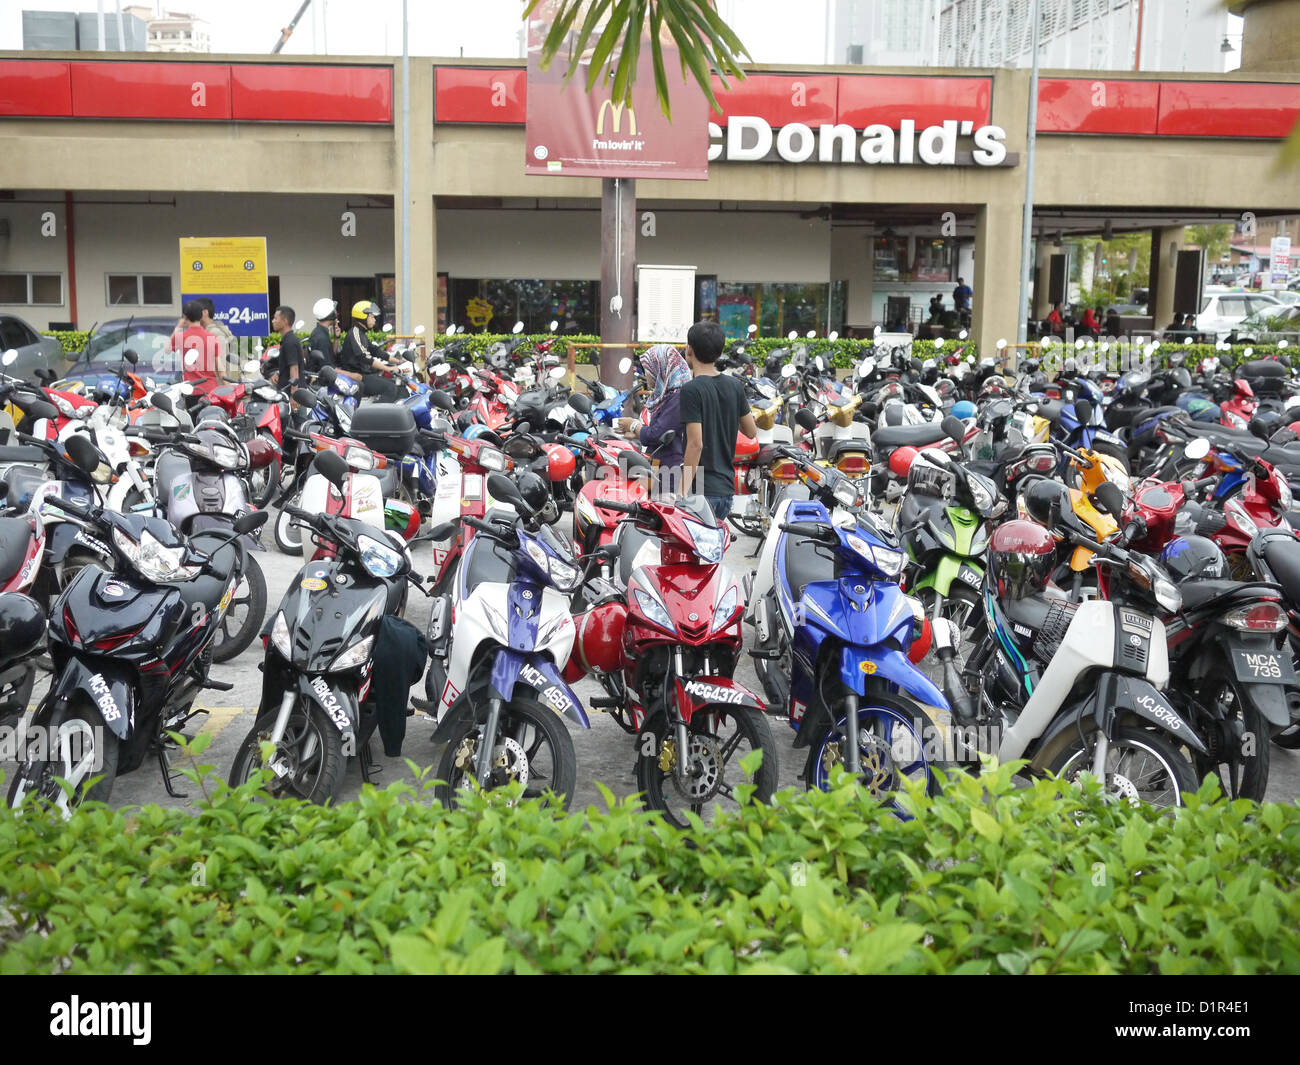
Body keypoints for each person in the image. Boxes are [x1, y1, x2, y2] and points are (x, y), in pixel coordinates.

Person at [679, 321, 758, 523]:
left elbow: (695, 444)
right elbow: (750, 431)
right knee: (711, 551)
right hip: (725, 491)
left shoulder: (691, 390)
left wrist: (681, 492)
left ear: (689, 350)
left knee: (690, 553)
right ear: (720, 352)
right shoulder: (734, 386)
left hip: (701, 492)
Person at [615, 344, 688, 492]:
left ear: (660, 369)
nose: (646, 374)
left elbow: (657, 434)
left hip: (670, 470)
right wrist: (633, 432)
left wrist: (633, 425)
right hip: (659, 464)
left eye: (648, 369)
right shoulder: (665, 395)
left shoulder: (677, 397)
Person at [338, 300, 401, 401]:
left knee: (393, 382)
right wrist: (387, 368)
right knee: (390, 388)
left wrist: (397, 361)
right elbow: (364, 356)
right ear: (363, 317)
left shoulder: (362, 333)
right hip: (358, 376)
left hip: (365, 374)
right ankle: (375, 416)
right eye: (372, 317)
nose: (374, 320)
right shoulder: (355, 332)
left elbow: (374, 350)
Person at [170, 300, 220, 391]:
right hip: (211, 389)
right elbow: (219, 367)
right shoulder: (212, 337)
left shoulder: (181, 337)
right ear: (201, 316)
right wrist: (227, 386)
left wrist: (178, 327)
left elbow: (167, 349)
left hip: (191, 389)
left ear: (185, 317)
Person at [198, 297, 236, 381]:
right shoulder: (205, 332)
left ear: (205, 312)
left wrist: (224, 387)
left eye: (196, 311)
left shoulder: (215, 333)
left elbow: (221, 365)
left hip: (216, 387)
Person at [271, 306, 302, 390]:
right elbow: (287, 366)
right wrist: (278, 373)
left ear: (285, 321)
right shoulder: (287, 339)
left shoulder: (290, 341)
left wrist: (294, 394)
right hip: (284, 389)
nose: (273, 321)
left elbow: (294, 368)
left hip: (290, 393)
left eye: (275, 318)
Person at [307, 297, 339, 371]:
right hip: (324, 377)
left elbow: (332, 355)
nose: (337, 313)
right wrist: (354, 376)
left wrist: (336, 337)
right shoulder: (321, 338)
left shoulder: (321, 332)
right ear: (331, 315)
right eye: (335, 311)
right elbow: (328, 368)